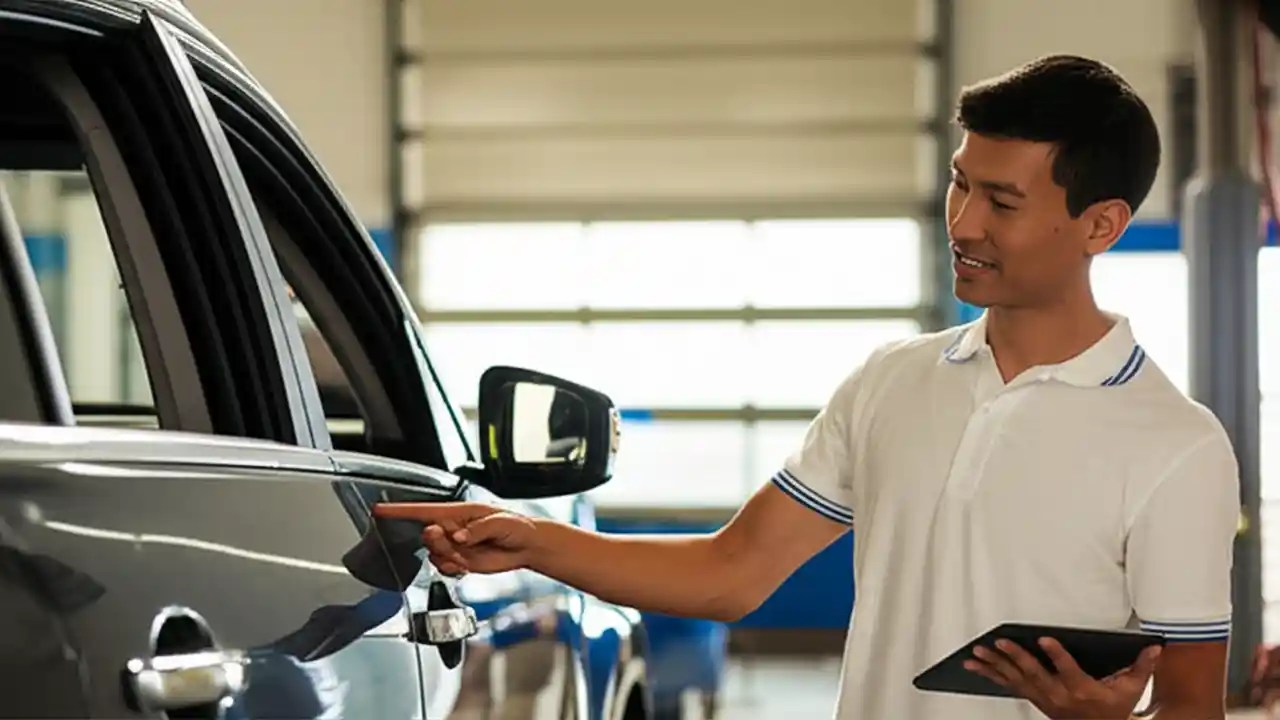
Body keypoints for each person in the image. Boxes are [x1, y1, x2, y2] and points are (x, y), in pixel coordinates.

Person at [375, 55, 1242, 720]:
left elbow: (1194, 706)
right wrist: (532, 540)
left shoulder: (1175, 445)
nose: (964, 223)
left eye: (1002, 202)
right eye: (958, 182)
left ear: (1102, 224)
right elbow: (732, 572)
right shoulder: (891, 381)